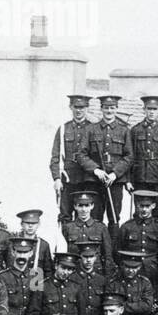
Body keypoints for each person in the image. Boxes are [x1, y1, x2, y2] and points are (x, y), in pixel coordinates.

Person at [81, 94, 133, 235]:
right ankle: (94, 251)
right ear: (101, 109)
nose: (109, 111)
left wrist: (115, 174)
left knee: (114, 218)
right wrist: (96, 170)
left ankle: (112, 253)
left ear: (116, 109)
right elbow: (81, 154)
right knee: (95, 217)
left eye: (112, 108)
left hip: (115, 182)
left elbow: (129, 156)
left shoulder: (124, 131)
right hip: (94, 181)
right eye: (106, 108)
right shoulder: (91, 129)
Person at [51, 94, 97, 223]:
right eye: (76, 107)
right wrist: (56, 178)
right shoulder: (63, 129)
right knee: (65, 215)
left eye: (82, 107)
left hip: (87, 179)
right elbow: (55, 157)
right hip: (68, 179)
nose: (79, 110)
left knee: (84, 215)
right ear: (71, 107)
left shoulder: (93, 129)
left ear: (87, 108)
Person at [115, 190, 158, 284]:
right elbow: (118, 250)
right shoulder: (127, 227)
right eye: (141, 206)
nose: (144, 209)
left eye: (147, 206)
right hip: (131, 270)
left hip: (152, 270)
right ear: (137, 205)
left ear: (153, 206)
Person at [63, 190, 117, 278]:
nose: (84, 210)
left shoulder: (101, 228)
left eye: (87, 205)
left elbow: (108, 256)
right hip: (74, 274)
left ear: (92, 206)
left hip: (96, 274)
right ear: (75, 206)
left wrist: (107, 277)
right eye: (80, 206)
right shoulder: (68, 228)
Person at [4, 209, 55, 277]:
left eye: (34, 223)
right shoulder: (13, 243)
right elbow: (8, 265)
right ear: (22, 224)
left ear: (38, 224)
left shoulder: (43, 245)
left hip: (36, 285)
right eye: (27, 223)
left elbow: (48, 271)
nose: (30, 226)